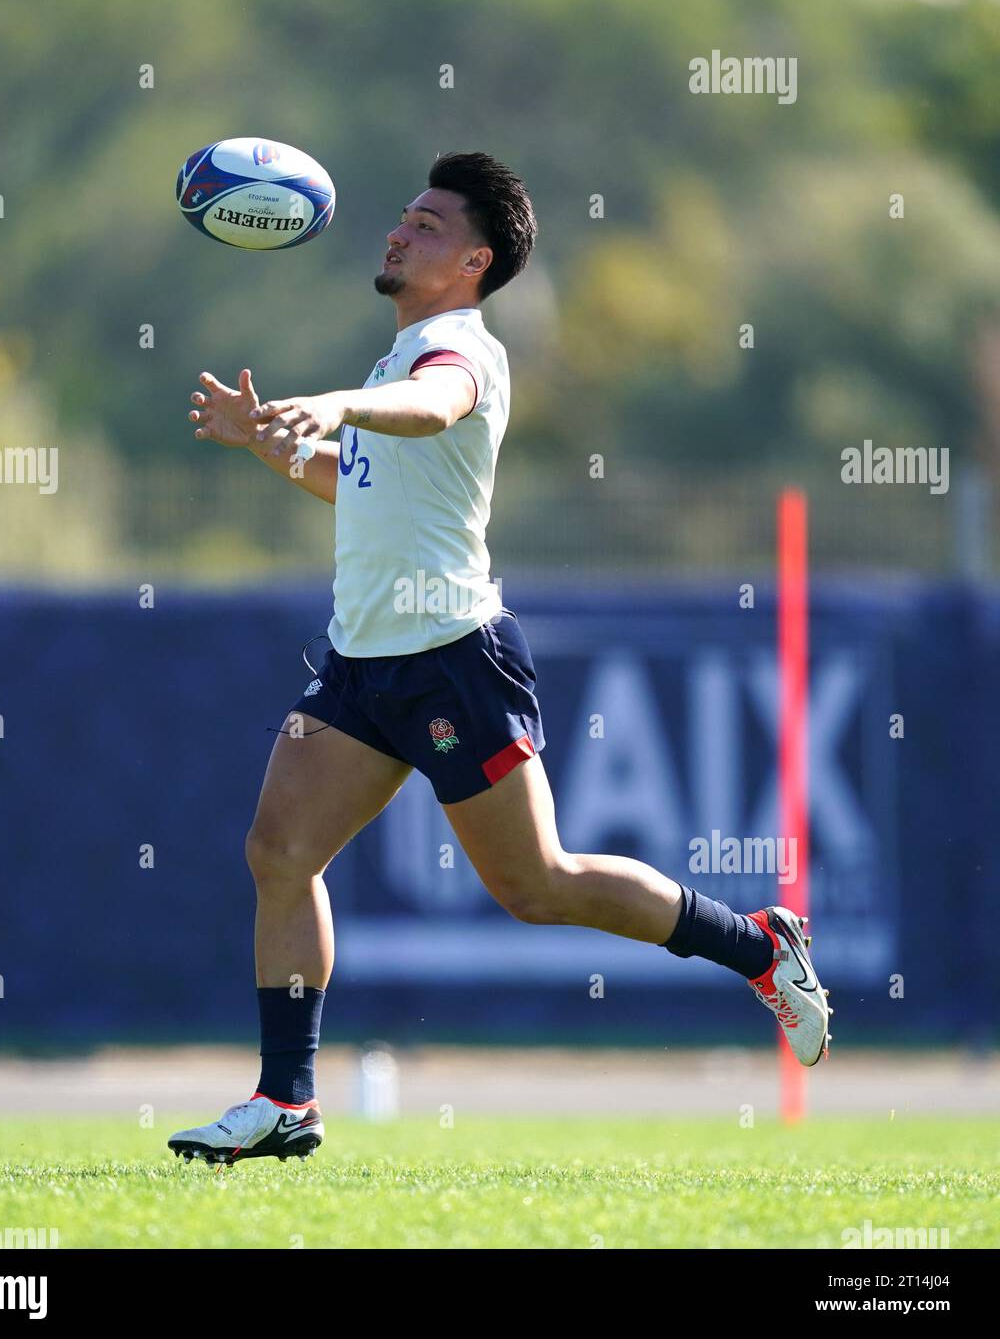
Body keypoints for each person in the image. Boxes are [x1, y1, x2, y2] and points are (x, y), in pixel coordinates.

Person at [169, 152, 830, 1168]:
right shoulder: (391, 365)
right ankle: (286, 1100)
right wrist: (267, 443)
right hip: (361, 665)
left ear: (475, 260)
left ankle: (755, 945)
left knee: (540, 885)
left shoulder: (460, 350)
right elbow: (361, 491)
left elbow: (435, 409)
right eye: (403, 216)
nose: (399, 230)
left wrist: (337, 405)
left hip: (451, 662)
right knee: (279, 852)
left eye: (427, 225)